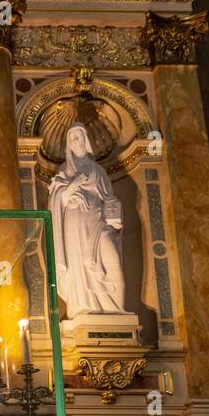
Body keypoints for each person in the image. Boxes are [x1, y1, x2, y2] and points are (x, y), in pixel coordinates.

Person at [47, 122, 127, 316]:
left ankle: (115, 308)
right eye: (72, 138)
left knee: (113, 261)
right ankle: (82, 306)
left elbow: (109, 197)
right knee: (79, 264)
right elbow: (57, 201)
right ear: (69, 144)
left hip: (98, 222)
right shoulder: (65, 170)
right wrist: (72, 186)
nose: (77, 141)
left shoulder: (98, 170)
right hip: (74, 224)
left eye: (79, 136)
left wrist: (114, 212)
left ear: (86, 140)